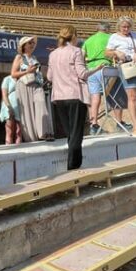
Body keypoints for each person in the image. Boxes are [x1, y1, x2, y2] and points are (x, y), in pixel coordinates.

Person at [48, 25, 92, 170]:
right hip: (74, 95)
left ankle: (74, 165)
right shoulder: (76, 51)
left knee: (71, 134)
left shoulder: (52, 54)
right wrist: (97, 69)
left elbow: (49, 76)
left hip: (59, 97)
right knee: (76, 133)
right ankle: (73, 166)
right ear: (74, 36)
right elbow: (82, 74)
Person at [105, 16, 136, 138]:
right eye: (123, 27)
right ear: (119, 26)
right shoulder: (114, 37)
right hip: (126, 66)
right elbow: (106, 52)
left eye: (128, 26)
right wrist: (116, 52)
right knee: (132, 96)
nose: (126, 29)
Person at [81, 22, 125, 135]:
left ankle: (94, 124)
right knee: (115, 94)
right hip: (106, 68)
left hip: (91, 70)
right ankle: (119, 123)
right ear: (107, 29)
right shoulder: (110, 37)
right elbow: (116, 52)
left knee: (95, 98)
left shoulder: (88, 40)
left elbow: (82, 55)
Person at [11, 36, 54, 142]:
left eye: (33, 43)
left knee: (41, 103)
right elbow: (13, 74)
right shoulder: (19, 57)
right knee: (27, 112)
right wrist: (27, 71)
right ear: (24, 46)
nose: (32, 45)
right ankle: (32, 138)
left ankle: (45, 132)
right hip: (24, 86)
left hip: (37, 85)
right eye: (29, 43)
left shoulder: (35, 58)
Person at [0, 75, 22, 145]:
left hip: (21, 107)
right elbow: (4, 95)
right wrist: (9, 107)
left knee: (19, 131)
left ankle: (19, 150)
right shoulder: (7, 79)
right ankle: (8, 150)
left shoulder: (22, 80)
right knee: (10, 130)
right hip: (10, 105)